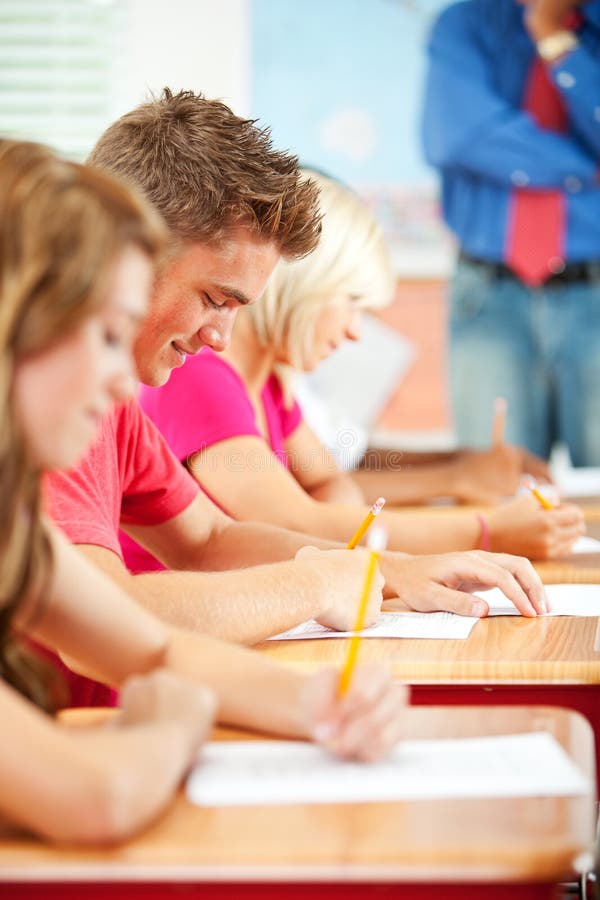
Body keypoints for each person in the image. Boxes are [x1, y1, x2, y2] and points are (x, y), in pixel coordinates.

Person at [45, 89, 547, 675]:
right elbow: (98, 621)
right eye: (214, 299)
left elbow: (209, 541)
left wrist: (390, 570)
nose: (221, 339)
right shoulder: (55, 397)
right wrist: (313, 585)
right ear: (129, 252)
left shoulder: (116, 404)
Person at [0, 138, 407, 845]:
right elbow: (94, 796)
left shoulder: (18, 534)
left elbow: (152, 649)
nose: (123, 385)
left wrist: (320, 703)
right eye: (104, 336)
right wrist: (175, 722)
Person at [131, 169, 583, 567]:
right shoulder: (199, 376)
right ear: (304, 285)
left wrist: (331, 516)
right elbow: (297, 522)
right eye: (351, 302)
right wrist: (487, 531)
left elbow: (331, 482)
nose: (354, 331)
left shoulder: (269, 385)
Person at [422, 0, 600, 465]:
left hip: (595, 293)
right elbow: (459, 138)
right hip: (489, 293)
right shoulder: (466, 22)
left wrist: (553, 38)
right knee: (492, 477)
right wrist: (585, 168)